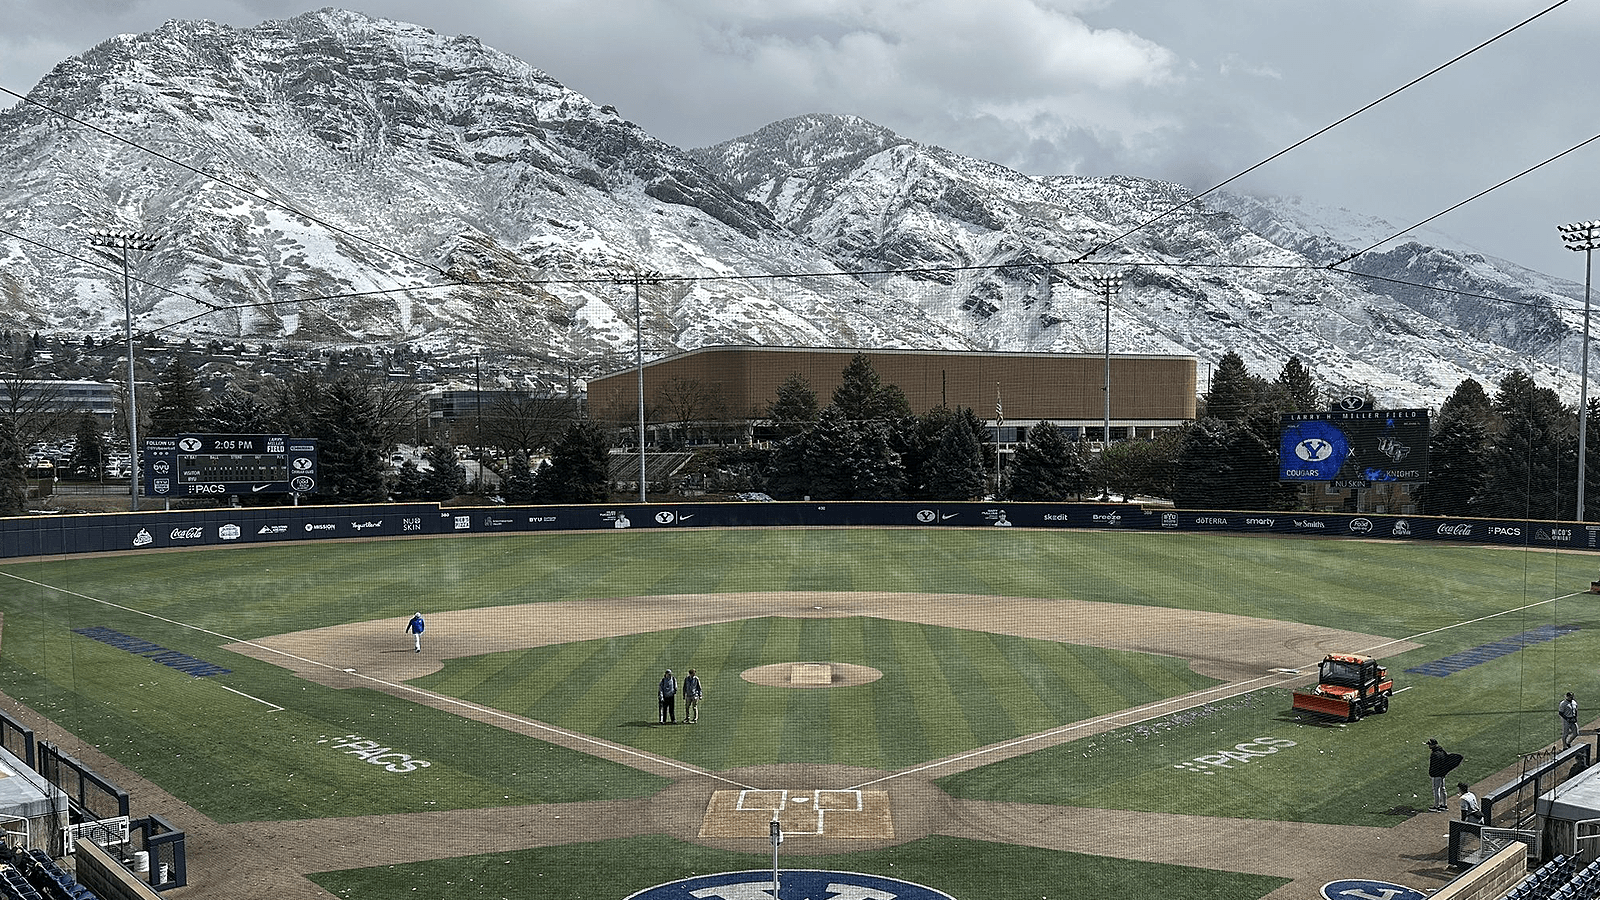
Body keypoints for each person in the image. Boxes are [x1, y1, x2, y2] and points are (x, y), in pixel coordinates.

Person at [1427, 738, 1462, 811]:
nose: (1429, 746)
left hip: (1437, 774)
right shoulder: (1442, 751)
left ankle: (1436, 806)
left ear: (1433, 745)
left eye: (1430, 744)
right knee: (1443, 789)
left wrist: (1432, 773)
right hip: (1442, 774)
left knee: (1436, 790)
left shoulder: (1434, 754)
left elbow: (1433, 766)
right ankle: (1444, 805)